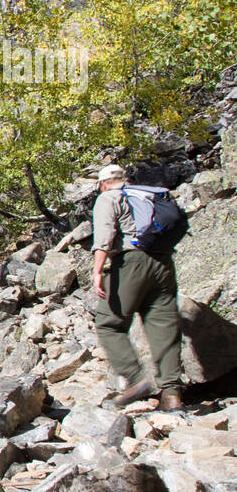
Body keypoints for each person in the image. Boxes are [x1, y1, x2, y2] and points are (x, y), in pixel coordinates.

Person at [90, 163, 183, 410]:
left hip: (130, 262)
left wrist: (97, 270)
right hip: (163, 263)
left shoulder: (109, 198)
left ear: (102, 183)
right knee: (164, 326)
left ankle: (135, 379)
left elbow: (104, 236)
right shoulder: (146, 195)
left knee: (109, 323)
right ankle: (172, 394)